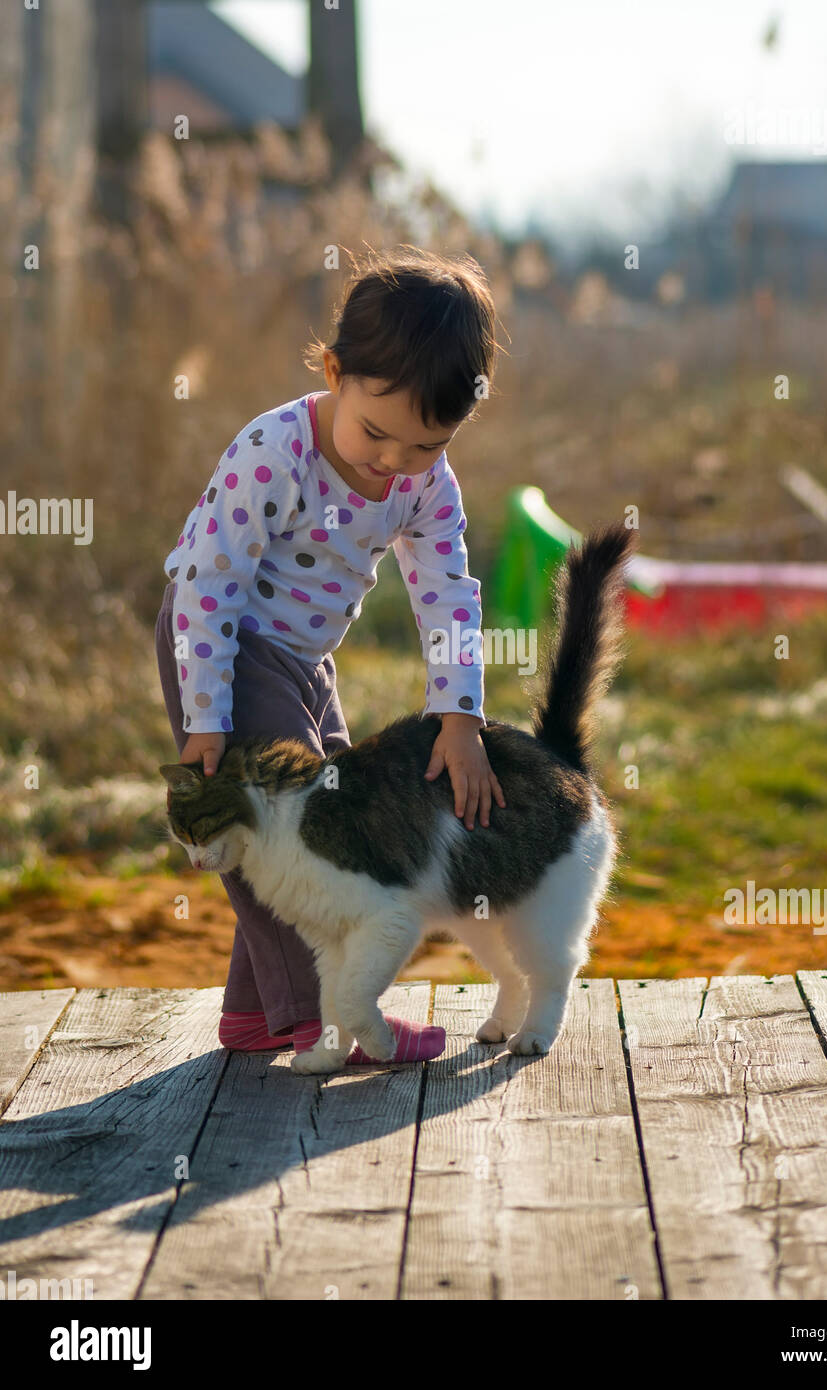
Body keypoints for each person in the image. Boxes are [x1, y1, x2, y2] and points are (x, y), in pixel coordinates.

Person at [154, 246, 506, 1059]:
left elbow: (446, 592)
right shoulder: (275, 450)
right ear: (336, 370)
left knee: (338, 815)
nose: (392, 463)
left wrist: (459, 716)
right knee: (298, 830)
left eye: (424, 446)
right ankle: (331, 1017)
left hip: (306, 661)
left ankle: (257, 1016)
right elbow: (209, 584)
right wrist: (206, 717)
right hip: (224, 638)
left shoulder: (427, 484)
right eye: (377, 433)